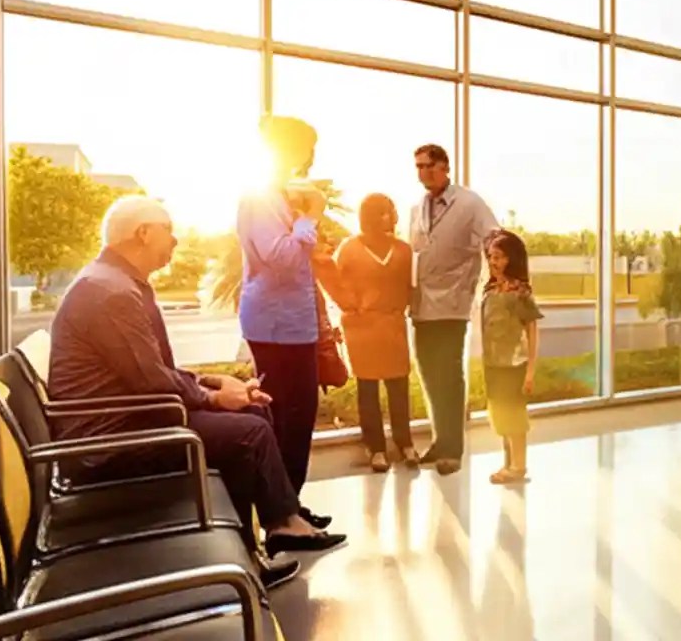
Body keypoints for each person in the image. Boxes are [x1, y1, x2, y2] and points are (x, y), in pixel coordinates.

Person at [47, 196, 346, 587]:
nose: (175, 240)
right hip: (109, 443)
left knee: (252, 413)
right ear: (142, 233)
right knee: (249, 433)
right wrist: (212, 398)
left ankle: (274, 529)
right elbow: (150, 381)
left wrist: (212, 382)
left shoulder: (114, 282)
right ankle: (257, 550)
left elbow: (151, 371)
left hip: (134, 417)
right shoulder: (111, 292)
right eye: (168, 230)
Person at [236, 115, 332, 530]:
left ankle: (289, 504)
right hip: (275, 324)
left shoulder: (281, 196)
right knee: (286, 418)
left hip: (293, 322)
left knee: (300, 415)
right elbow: (282, 258)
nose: (308, 157)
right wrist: (312, 216)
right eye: (305, 147)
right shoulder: (260, 199)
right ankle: (281, 518)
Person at [409, 143, 499, 475]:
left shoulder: (470, 203)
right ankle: (439, 439)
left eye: (428, 166)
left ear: (445, 167)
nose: (423, 173)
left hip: (453, 301)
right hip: (422, 303)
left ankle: (453, 448)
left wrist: (492, 280)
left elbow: (495, 239)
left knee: (448, 374)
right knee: (428, 373)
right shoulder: (417, 207)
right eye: (418, 167)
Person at [314, 193, 417, 473]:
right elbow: (334, 280)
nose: (391, 216)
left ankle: (405, 443)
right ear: (370, 216)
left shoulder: (403, 250)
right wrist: (351, 305)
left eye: (391, 210)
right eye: (384, 211)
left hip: (392, 324)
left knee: (399, 386)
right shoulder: (349, 248)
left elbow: (411, 286)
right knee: (368, 389)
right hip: (362, 327)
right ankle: (376, 448)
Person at [480, 230, 542, 485]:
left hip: (514, 364)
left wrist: (530, 372)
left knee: (514, 415)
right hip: (493, 363)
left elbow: (532, 331)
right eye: (490, 257)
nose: (493, 262)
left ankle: (519, 466)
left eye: (498, 257)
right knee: (500, 414)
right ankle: (508, 462)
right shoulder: (490, 291)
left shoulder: (519, 293)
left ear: (511, 260)